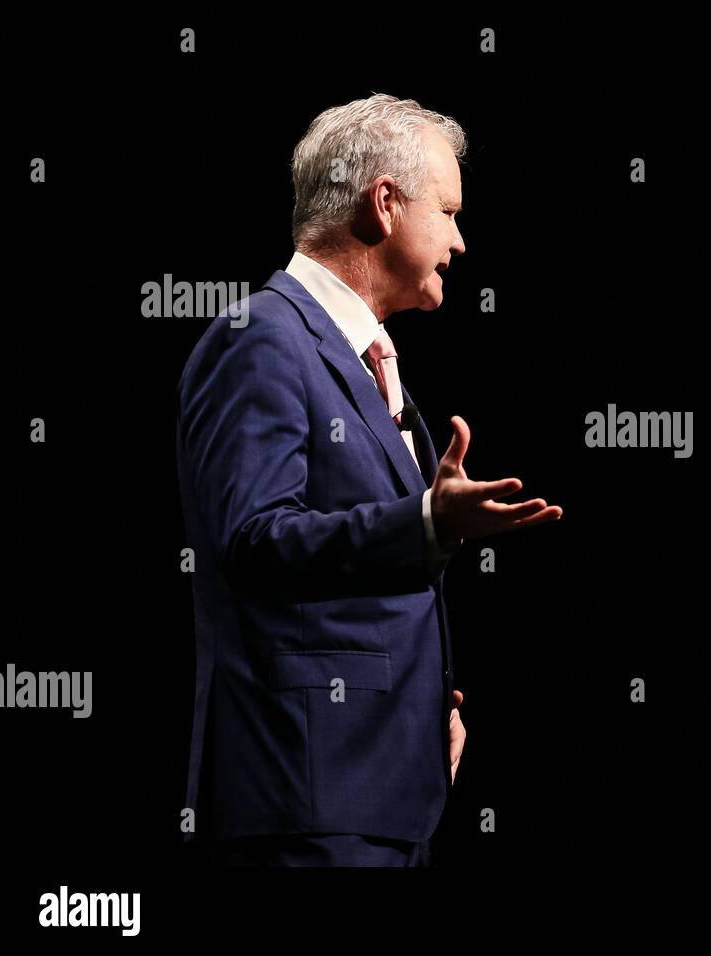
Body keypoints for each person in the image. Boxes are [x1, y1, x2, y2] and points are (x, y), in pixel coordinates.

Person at [176, 94, 561, 866]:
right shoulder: (262, 340)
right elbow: (252, 544)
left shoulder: (367, 359)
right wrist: (428, 522)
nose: (460, 239)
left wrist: (422, 707)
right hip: (306, 797)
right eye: (447, 211)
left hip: (383, 791)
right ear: (384, 203)